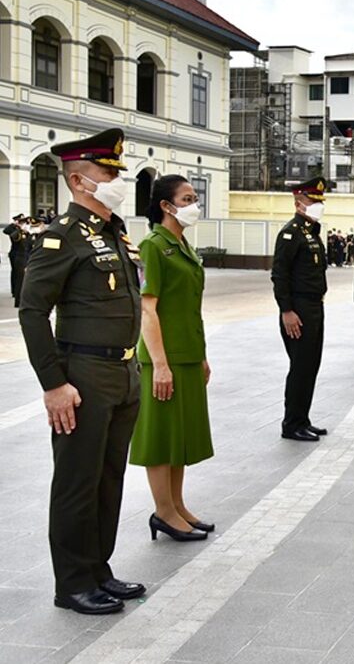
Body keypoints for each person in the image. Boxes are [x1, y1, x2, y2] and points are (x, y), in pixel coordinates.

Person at [18, 128, 145, 614]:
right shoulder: (62, 236)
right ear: (77, 180)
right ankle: (71, 583)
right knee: (77, 481)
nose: (117, 179)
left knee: (108, 478)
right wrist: (54, 384)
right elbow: (32, 311)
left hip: (122, 374)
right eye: (107, 172)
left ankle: (98, 569)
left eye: (117, 172)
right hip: (84, 376)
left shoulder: (115, 231)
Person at [129, 175, 213, 543]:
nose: (194, 204)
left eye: (195, 197)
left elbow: (192, 308)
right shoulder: (153, 246)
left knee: (181, 436)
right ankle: (162, 511)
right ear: (166, 205)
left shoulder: (183, 246)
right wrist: (159, 364)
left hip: (187, 353)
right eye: (187, 198)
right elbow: (149, 310)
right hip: (163, 357)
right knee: (162, 436)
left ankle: (177, 505)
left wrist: (202, 355)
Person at [271, 177, 329, 442]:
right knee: (300, 366)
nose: (318, 205)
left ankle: (302, 419)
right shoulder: (291, 232)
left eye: (319, 201)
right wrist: (287, 311)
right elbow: (279, 274)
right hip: (299, 309)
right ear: (298, 203)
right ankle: (291, 424)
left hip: (315, 306)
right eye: (312, 201)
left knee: (310, 366)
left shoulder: (312, 232)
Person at [5, 213, 32, 307]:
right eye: (23, 222)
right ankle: (17, 298)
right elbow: (9, 233)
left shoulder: (27, 234)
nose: (25, 225)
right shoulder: (17, 232)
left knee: (24, 279)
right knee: (18, 277)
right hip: (18, 256)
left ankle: (23, 298)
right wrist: (17, 227)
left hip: (26, 257)